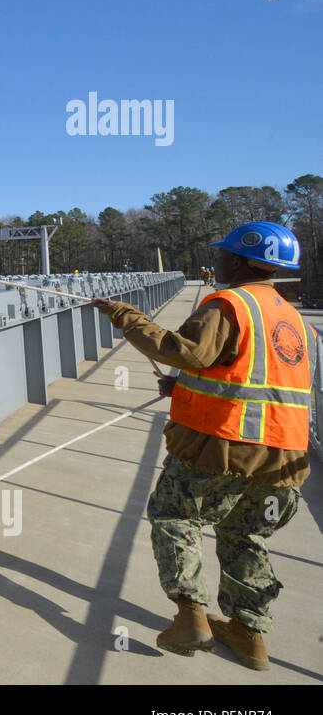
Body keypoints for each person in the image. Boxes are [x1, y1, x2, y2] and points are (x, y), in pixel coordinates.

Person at [91, 221, 316, 671]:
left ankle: (191, 615)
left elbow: (184, 349)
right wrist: (183, 389)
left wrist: (125, 316)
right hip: (286, 459)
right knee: (244, 535)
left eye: (222, 255)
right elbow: (254, 380)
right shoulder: (291, 317)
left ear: (239, 261)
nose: (216, 262)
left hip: (227, 448)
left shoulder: (231, 303)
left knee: (175, 516)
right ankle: (250, 635)